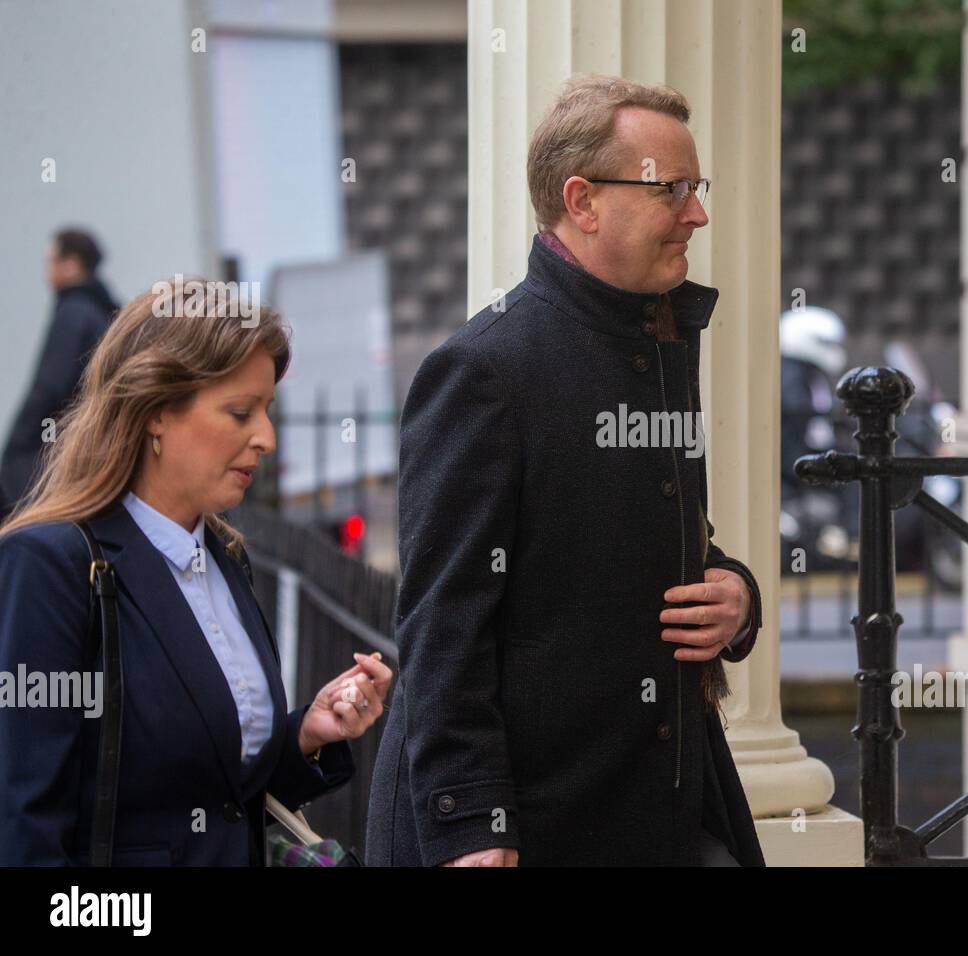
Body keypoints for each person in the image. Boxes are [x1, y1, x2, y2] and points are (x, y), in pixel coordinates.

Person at [366, 74, 765, 867]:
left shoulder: (657, 340)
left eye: (698, 186)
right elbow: (443, 625)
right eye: (671, 190)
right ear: (582, 201)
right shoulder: (481, 371)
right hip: (531, 827)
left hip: (665, 811)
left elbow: (656, 540)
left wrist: (736, 595)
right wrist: (471, 823)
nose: (697, 212)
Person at [0, 276, 392, 865]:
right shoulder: (51, 566)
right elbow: (24, 824)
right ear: (156, 413)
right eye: (240, 412)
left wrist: (306, 734)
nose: (266, 438)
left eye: (267, 410)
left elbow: (223, 795)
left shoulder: (225, 558)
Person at [1, 229, 120, 513]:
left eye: (51, 261)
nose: (47, 273)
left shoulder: (74, 313)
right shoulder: (103, 312)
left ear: (71, 264)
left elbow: (49, 387)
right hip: (93, 451)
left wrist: (17, 449)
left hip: (62, 454)